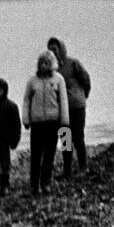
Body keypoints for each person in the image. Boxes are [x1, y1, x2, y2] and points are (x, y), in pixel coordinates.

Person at [22, 52, 69, 195]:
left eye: (46, 63)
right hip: (37, 123)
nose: (43, 66)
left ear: (52, 64)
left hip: (52, 122)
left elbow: (63, 100)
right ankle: (34, 185)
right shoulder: (32, 81)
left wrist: (64, 121)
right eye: (41, 63)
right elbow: (26, 101)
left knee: (49, 154)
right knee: (36, 155)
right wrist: (26, 119)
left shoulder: (58, 79)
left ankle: (46, 183)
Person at [47, 37, 91, 177]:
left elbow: (86, 79)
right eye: (50, 50)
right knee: (65, 139)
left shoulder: (73, 63)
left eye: (55, 48)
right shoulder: (51, 69)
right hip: (62, 110)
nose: (53, 52)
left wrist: (82, 96)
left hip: (76, 107)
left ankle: (83, 167)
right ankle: (67, 170)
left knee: (78, 137)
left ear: (61, 48)